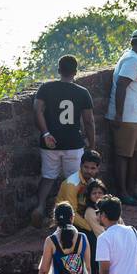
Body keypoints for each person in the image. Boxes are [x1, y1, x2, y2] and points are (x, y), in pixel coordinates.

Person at [33, 55, 96, 227]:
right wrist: (92, 144)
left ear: (59, 70)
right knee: (74, 180)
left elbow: (37, 110)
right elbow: (89, 121)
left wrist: (46, 133)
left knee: (47, 177)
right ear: (75, 72)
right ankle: (74, 215)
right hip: (73, 143)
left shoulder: (46, 88)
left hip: (50, 143)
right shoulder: (82, 93)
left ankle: (39, 207)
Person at [105, 29, 137, 206]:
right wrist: (118, 114)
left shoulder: (136, 59)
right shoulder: (132, 60)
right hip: (127, 117)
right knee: (123, 155)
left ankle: (131, 190)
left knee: (136, 153)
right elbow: (121, 86)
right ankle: (122, 192)